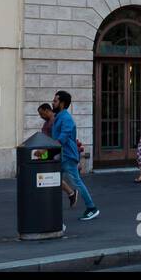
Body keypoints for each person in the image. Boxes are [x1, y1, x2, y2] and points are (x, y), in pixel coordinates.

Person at [51, 90, 100, 220]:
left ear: (62, 103)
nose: (53, 102)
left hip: (67, 156)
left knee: (77, 182)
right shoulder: (59, 116)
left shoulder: (66, 118)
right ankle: (50, 209)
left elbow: (62, 138)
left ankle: (92, 208)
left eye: (55, 100)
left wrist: (48, 148)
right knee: (53, 180)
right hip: (60, 156)